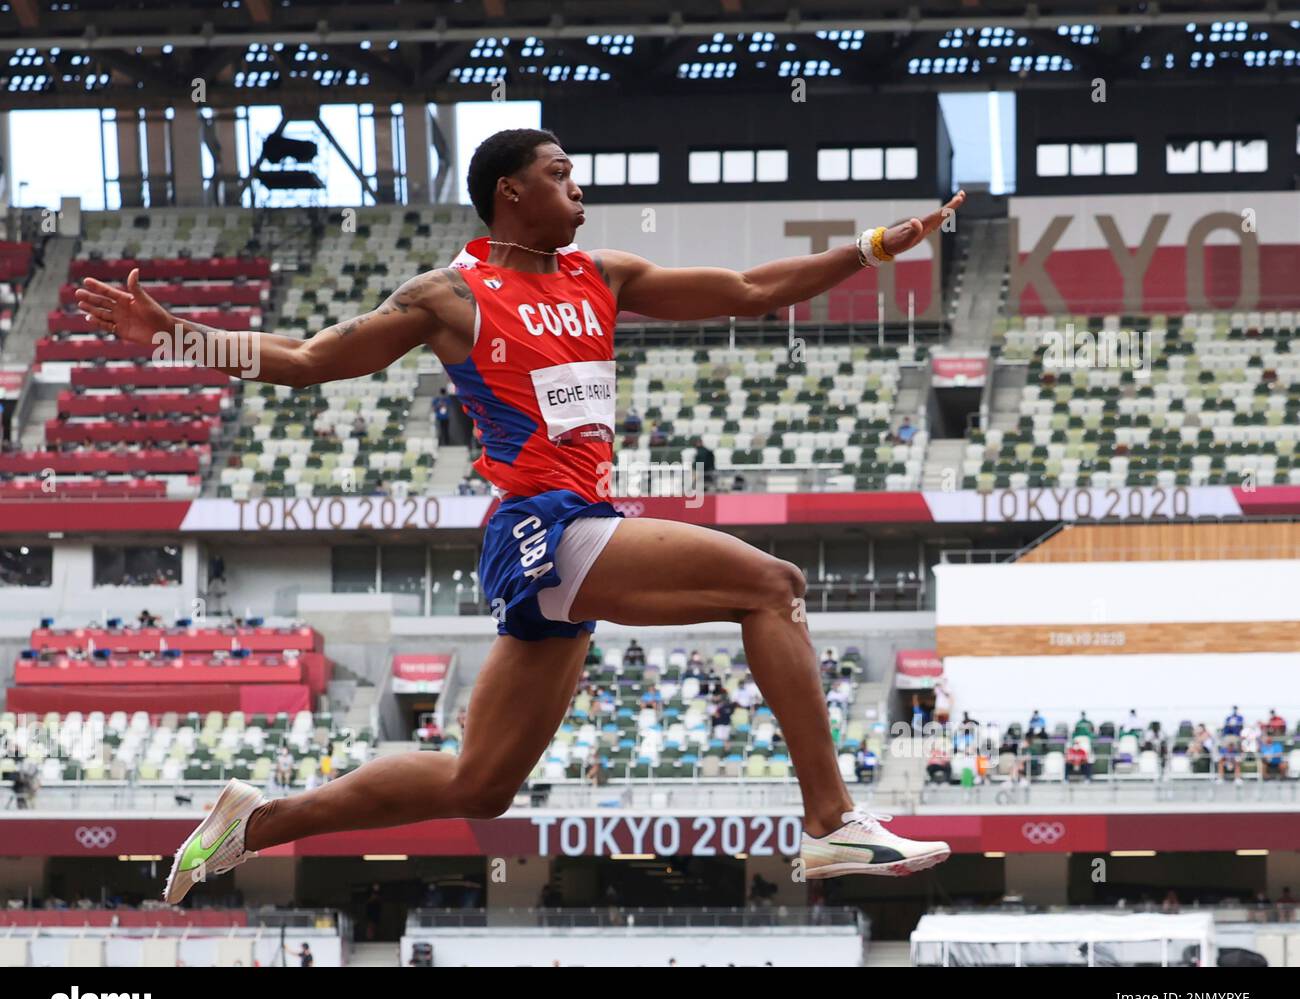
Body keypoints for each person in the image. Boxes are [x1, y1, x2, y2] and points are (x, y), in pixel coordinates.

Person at [87, 130, 964, 905]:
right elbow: (312, 359)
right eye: (560, 172)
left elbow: (748, 287)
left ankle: (260, 821)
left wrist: (874, 246)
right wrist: (178, 337)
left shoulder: (604, 275)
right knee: (772, 587)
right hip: (543, 521)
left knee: (479, 785)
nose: (579, 186)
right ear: (513, 191)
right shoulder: (447, 295)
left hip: (575, 527)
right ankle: (831, 820)